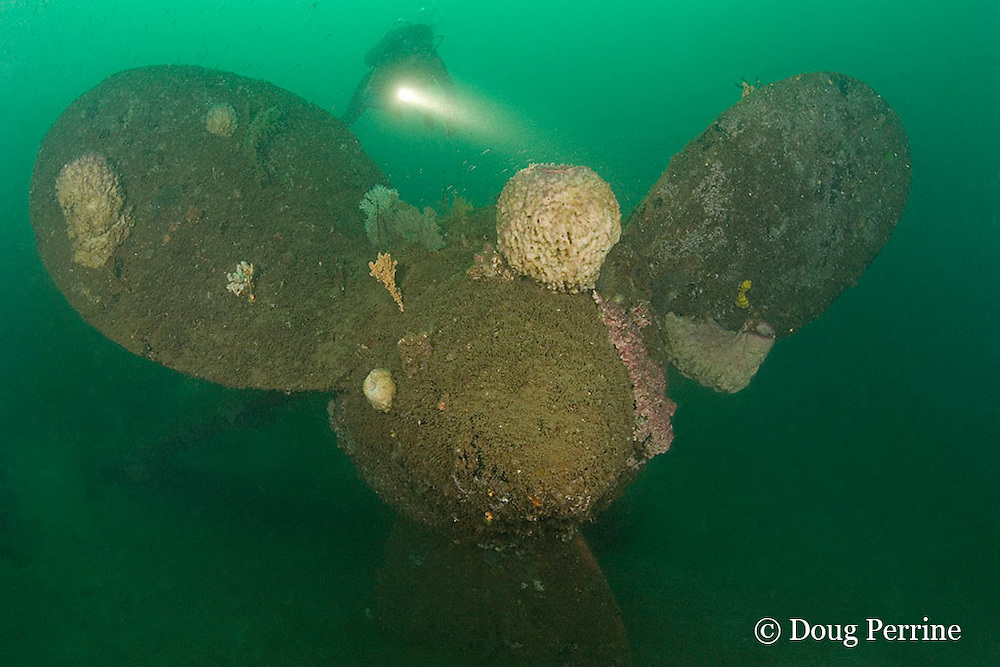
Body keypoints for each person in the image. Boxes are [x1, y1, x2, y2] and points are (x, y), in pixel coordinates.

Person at [342, 22, 455, 130]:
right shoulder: (394, 55)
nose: (418, 51)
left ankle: (346, 123)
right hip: (386, 86)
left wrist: (449, 114)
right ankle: (344, 125)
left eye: (423, 47)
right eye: (414, 45)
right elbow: (372, 76)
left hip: (412, 91)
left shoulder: (434, 61)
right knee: (351, 114)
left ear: (429, 46)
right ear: (407, 42)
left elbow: (448, 87)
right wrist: (371, 94)